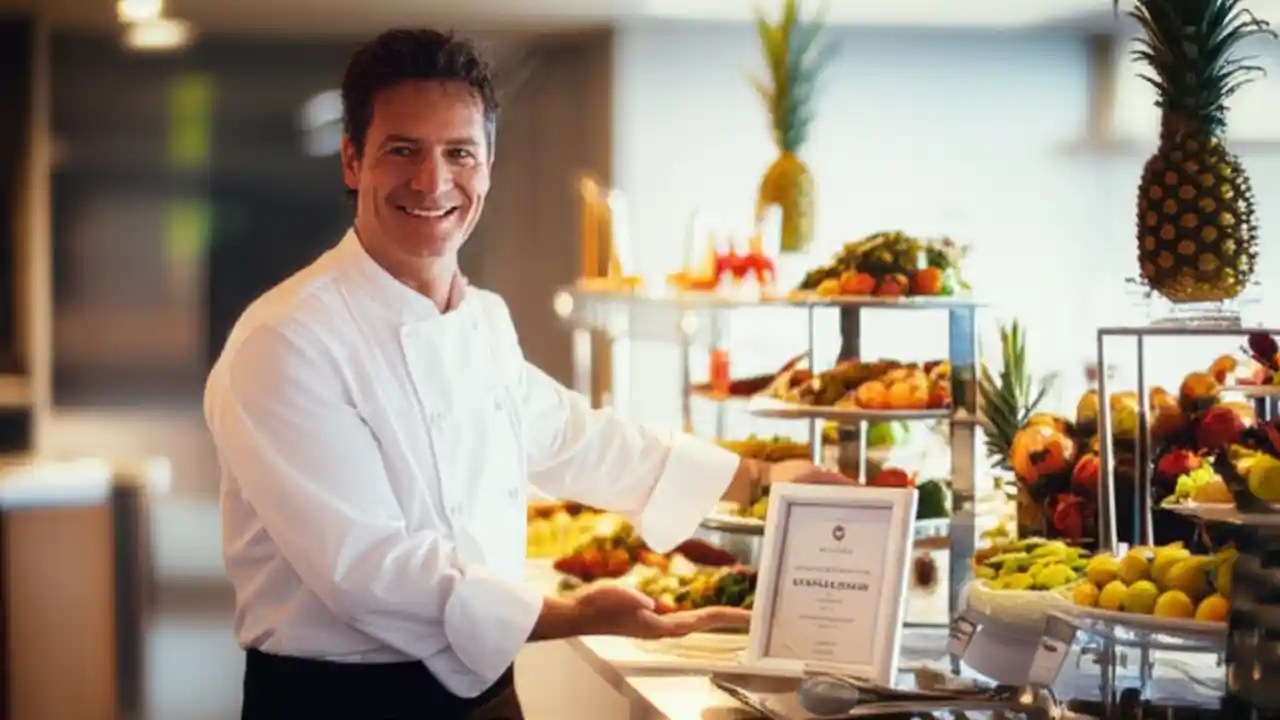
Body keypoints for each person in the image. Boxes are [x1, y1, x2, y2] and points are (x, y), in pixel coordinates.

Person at [203, 27, 852, 720]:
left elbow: (575, 437)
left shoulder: (481, 320)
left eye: (459, 153)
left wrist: (758, 480)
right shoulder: (288, 337)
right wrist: (568, 613)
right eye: (403, 151)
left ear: (487, 168)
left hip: (488, 695)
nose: (433, 181)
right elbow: (366, 569)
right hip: (341, 704)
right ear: (352, 161)